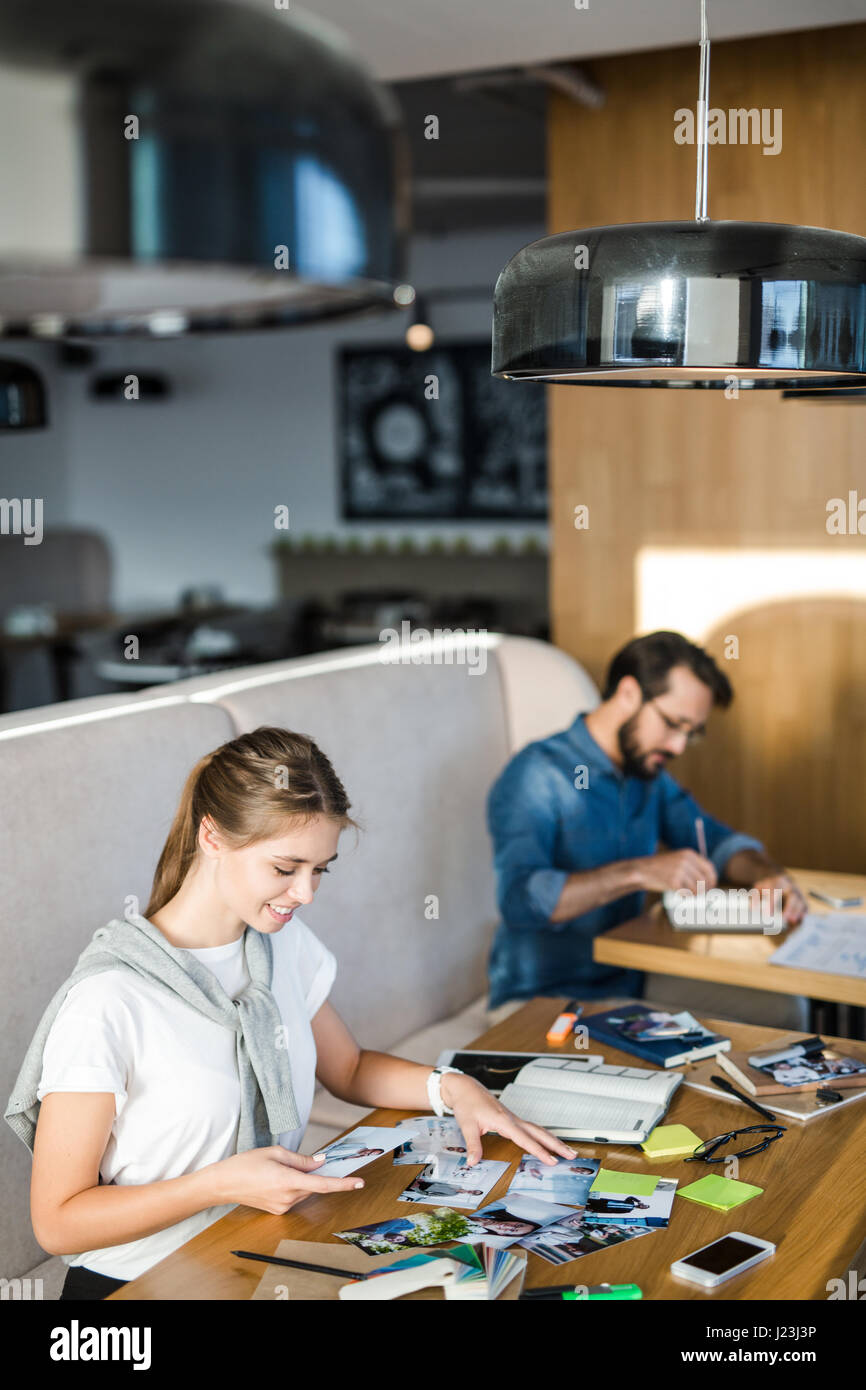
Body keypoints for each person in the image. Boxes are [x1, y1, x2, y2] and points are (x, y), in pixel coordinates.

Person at [5, 727, 576, 1300]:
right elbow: (57, 1222)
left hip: (258, 1249)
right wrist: (214, 1186)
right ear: (212, 837)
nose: (306, 893)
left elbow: (348, 1068)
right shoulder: (110, 999)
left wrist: (452, 1088)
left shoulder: (281, 945)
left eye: (321, 869)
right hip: (141, 1282)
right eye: (285, 868)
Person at [486, 631, 807, 1010]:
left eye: (691, 733)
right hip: (544, 997)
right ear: (628, 694)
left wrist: (764, 873)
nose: (677, 747)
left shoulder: (647, 772)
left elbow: (713, 838)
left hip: (630, 981)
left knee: (784, 1009)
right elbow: (520, 900)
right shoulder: (537, 774)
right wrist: (638, 872)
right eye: (673, 724)